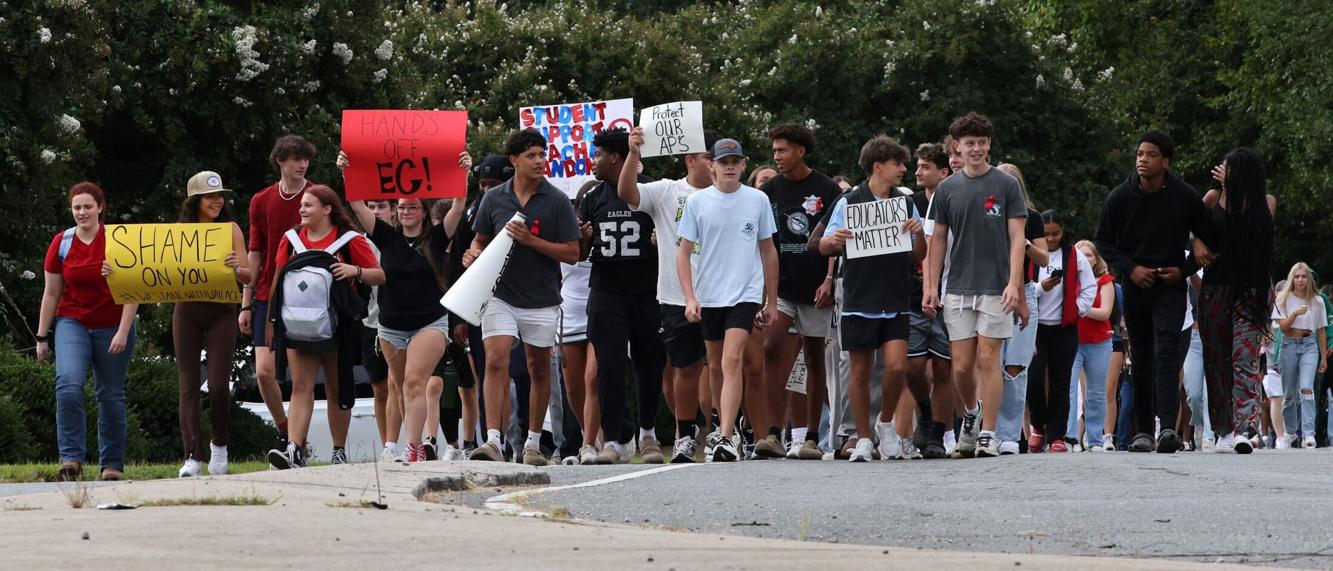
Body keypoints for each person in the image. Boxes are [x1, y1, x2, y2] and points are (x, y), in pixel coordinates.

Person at [337, 150, 466, 462]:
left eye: (413, 207)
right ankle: (393, 445)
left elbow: (459, 205)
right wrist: (347, 172)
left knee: (413, 381)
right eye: (402, 207)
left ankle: (414, 446)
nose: (406, 211)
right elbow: (356, 204)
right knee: (396, 385)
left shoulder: (435, 238)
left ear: (423, 213)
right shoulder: (386, 237)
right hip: (391, 326)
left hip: (429, 323)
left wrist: (463, 170)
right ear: (395, 213)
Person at [462, 129, 581, 465]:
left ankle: (531, 443)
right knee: (496, 360)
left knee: (538, 368)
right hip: (499, 294)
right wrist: (471, 255)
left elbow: (573, 253)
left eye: (543, 155)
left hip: (542, 298)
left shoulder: (556, 200)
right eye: (531, 155)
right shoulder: (494, 198)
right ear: (514, 160)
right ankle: (494, 441)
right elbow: (478, 241)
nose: (540, 161)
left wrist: (532, 241)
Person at [921, 112, 1029, 458]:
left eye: (982, 143)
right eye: (970, 143)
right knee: (962, 366)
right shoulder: (947, 189)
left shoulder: (1006, 185)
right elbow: (937, 239)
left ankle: (988, 433)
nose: (977, 149)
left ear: (989, 145)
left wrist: (1015, 283)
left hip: (996, 287)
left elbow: (1017, 237)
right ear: (957, 147)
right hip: (957, 288)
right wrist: (932, 285)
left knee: (988, 359)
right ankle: (971, 412)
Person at [1094, 130, 1208, 453]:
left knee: (1167, 350)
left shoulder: (1184, 196)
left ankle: (1168, 428)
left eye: (1151, 154)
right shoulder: (1120, 197)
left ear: (1166, 161)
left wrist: (1183, 269)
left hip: (1170, 285)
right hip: (1135, 284)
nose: (1143, 160)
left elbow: (1209, 237)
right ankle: (1143, 430)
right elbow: (1103, 240)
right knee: (1142, 354)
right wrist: (1130, 268)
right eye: (1140, 154)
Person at [818, 136, 926, 462]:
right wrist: (833, 239)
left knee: (896, 367)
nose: (903, 170)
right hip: (858, 298)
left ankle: (885, 423)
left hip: (895, 297)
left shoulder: (906, 203)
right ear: (878, 165)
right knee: (860, 372)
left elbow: (918, 255)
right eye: (898, 164)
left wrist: (918, 233)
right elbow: (823, 245)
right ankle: (862, 438)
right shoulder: (849, 202)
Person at [266, 185, 384, 468]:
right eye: (302, 205)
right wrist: (272, 319)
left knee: (336, 387)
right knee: (300, 387)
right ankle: (295, 449)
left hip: (339, 325)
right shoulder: (291, 239)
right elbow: (278, 279)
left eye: (308, 205)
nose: (302, 210)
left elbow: (378, 276)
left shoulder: (350, 240)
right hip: (297, 323)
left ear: (327, 209)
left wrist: (354, 271)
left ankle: (338, 451)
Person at [677, 138, 779, 462]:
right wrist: (690, 297)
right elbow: (683, 253)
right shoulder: (697, 203)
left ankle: (725, 438)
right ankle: (726, 427)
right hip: (710, 294)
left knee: (733, 360)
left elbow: (768, 251)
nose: (730, 166)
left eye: (736, 160)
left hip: (745, 293)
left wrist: (771, 301)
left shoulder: (758, 200)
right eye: (724, 161)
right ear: (712, 166)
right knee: (716, 366)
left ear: (744, 164)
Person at [618, 126, 716, 463]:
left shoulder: (732, 194)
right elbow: (627, 192)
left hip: (723, 295)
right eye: (709, 158)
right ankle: (685, 435)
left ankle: (724, 431)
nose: (716, 164)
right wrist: (633, 153)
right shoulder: (665, 191)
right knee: (684, 369)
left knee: (723, 366)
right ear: (690, 160)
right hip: (676, 296)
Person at [36, 183, 140, 481]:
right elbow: (52, 294)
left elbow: (134, 291)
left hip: (113, 324)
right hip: (73, 322)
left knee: (110, 394)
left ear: (100, 207)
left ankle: (112, 465)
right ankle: (71, 459)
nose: (82, 212)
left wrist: (122, 331)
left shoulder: (118, 240)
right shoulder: (62, 242)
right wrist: (42, 337)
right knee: (68, 384)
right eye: (76, 207)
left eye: (87, 206)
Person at [579, 128, 666, 464]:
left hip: (647, 289)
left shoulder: (649, 190)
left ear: (615, 156)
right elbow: (579, 253)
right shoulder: (592, 196)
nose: (594, 161)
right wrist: (583, 240)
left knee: (649, 364)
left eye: (598, 154)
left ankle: (648, 435)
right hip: (607, 290)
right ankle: (613, 439)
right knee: (609, 367)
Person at [757, 123, 840, 459]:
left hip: (817, 285)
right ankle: (773, 433)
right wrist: (768, 294)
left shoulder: (827, 188)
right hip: (784, 286)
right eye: (774, 150)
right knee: (772, 346)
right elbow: (766, 245)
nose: (776, 156)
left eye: (783, 150)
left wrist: (829, 280)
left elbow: (837, 238)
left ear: (800, 151)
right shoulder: (769, 192)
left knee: (814, 356)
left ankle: (812, 437)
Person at [1196, 146, 1277, 453]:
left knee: (1244, 358)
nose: (1221, 170)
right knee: (1216, 359)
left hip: (1251, 290)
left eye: (1227, 167)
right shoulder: (1213, 198)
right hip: (1216, 287)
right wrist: (1196, 242)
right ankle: (1223, 429)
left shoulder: (1265, 204)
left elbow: (1250, 233)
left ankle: (1246, 428)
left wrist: (1233, 188)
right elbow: (1191, 230)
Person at [241, 135, 316, 461]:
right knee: (264, 372)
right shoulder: (261, 200)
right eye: (296, 158)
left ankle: (297, 446)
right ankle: (285, 429)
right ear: (280, 161)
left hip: (304, 296)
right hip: (265, 295)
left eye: (305, 159)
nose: (302, 164)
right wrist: (245, 302)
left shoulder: (315, 197)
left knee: (301, 377)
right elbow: (255, 252)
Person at [173, 172, 251, 477]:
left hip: (222, 311)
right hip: (187, 311)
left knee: (218, 383)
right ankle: (192, 456)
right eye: (210, 196)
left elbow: (248, 276)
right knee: (188, 385)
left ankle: (219, 444)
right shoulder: (180, 231)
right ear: (195, 201)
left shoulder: (231, 229)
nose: (217, 201)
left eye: (220, 196)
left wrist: (236, 268)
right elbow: (158, 268)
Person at [1026, 210, 1096, 452]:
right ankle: (1037, 426)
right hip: (1034, 327)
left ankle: (1057, 435)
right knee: (1034, 378)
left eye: (1056, 234)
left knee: (1061, 381)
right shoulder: (1030, 252)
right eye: (1046, 234)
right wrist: (1041, 288)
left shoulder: (1074, 255)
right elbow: (1023, 287)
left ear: (1063, 232)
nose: (1051, 239)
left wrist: (1078, 309)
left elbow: (1090, 286)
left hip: (1064, 327)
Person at [991, 163, 1048, 456]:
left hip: (1024, 290)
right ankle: (989, 430)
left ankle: (1009, 434)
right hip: (991, 290)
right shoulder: (988, 214)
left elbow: (1043, 258)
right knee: (991, 364)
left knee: (1015, 366)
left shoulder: (1033, 218)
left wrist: (1022, 242)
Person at [906, 143, 955, 458]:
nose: (918, 172)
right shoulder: (907, 204)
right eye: (917, 166)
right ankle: (924, 411)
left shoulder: (955, 201)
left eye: (925, 167)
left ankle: (938, 433)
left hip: (948, 293)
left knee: (942, 367)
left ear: (944, 172)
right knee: (911, 367)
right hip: (911, 294)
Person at [357, 198, 397, 459]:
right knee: (380, 387)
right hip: (370, 322)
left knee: (400, 384)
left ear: (393, 210)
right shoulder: (359, 242)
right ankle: (387, 448)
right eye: (371, 207)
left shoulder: (401, 238)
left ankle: (404, 444)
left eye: (381, 206)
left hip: (400, 322)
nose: (376, 212)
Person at [1068, 240, 1116, 451]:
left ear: (1096, 258)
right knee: (1069, 390)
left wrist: (1078, 306)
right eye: (1081, 254)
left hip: (1099, 343)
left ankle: (1095, 438)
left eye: (1089, 254)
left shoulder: (1105, 281)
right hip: (1072, 342)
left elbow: (1105, 312)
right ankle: (1069, 438)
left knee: (1096, 392)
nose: (1085, 258)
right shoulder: (1069, 280)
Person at [1273, 263, 1327, 449]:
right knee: (1289, 395)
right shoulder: (1283, 299)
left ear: (1309, 279)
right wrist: (1295, 313)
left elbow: (1321, 330)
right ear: (1292, 279)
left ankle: (1308, 434)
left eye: (1304, 276)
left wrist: (1324, 358)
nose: (1301, 280)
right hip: (1289, 345)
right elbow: (1283, 327)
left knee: (1306, 389)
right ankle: (1290, 432)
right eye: (1297, 277)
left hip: (1309, 345)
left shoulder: (1318, 301)